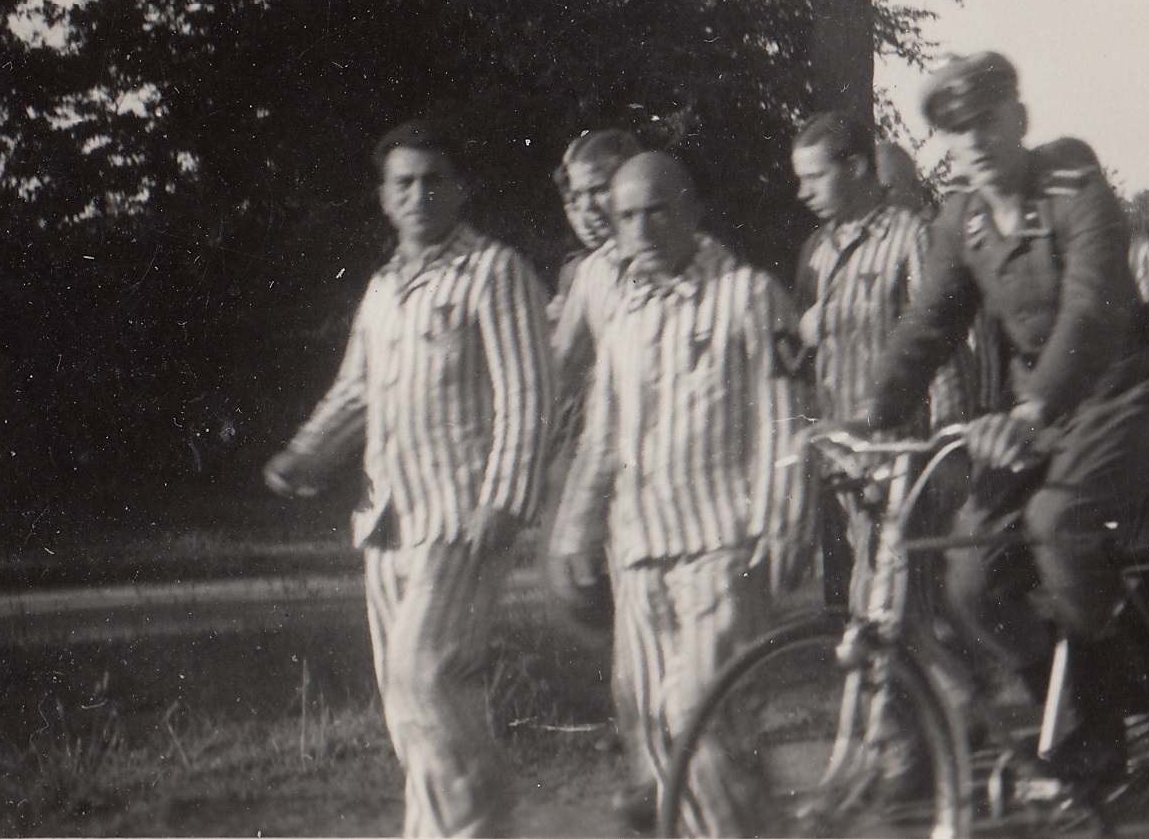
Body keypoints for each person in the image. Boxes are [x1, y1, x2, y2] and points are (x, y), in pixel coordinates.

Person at [869, 52, 1149, 794]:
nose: (971, 141)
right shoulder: (961, 218)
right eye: (953, 131)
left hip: (1117, 395)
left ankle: (1112, 723)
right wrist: (868, 415)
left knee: (1057, 520)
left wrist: (1032, 408)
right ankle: (1061, 715)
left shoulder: (1073, 184)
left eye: (984, 122)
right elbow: (928, 323)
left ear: (1019, 119)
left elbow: (1092, 306)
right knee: (970, 572)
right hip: (1036, 412)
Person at [263, 120, 551, 837]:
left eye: (433, 180)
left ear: (461, 189)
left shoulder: (494, 270)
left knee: (426, 680)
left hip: (461, 517)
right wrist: (304, 454)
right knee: (413, 704)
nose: (419, 194)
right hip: (387, 520)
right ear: (384, 198)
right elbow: (356, 390)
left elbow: (527, 393)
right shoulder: (384, 287)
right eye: (404, 182)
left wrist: (507, 499)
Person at [545, 153, 812, 835]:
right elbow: (603, 433)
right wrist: (575, 523)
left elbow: (786, 416)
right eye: (626, 214)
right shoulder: (625, 313)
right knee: (653, 730)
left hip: (722, 544)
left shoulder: (749, 296)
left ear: (693, 209)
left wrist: (783, 521)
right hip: (638, 552)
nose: (639, 226)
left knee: (699, 713)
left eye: (657, 209)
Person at [790, 110, 963, 606]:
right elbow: (800, 352)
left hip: (895, 452)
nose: (803, 193)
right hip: (837, 452)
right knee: (866, 602)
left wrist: (949, 442)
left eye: (815, 177)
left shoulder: (910, 237)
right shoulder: (818, 251)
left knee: (893, 600)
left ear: (859, 168)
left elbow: (940, 345)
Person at [549, 129, 641, 324]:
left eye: (599, 189)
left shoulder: (678, 256)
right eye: (578, 195)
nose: (586, 207)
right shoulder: (592, 271)